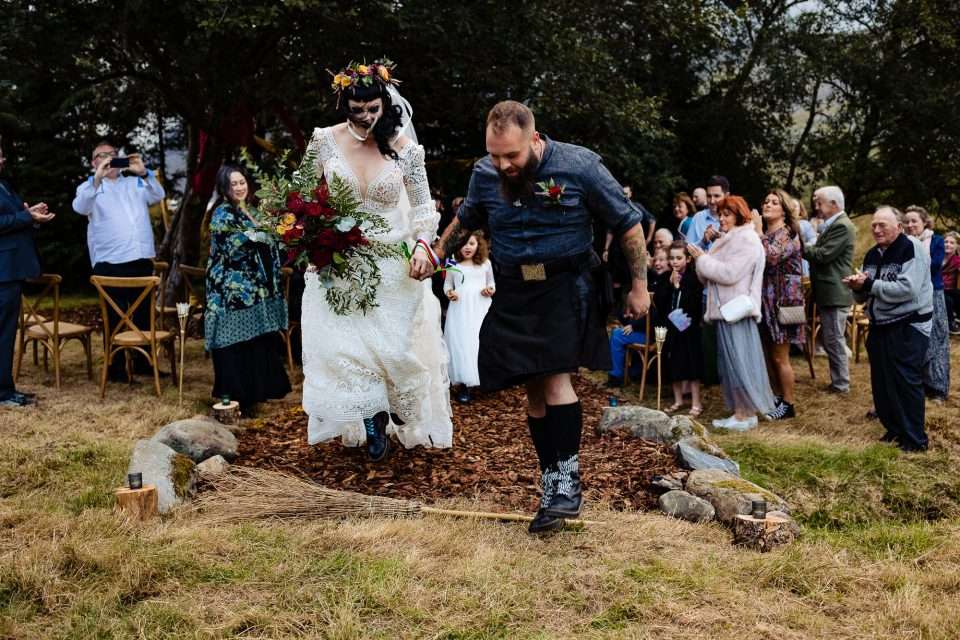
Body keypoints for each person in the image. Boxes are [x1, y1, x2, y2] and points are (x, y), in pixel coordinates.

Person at [429, 100, 650, 534]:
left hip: (564, 285)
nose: (503, 164)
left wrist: (640, 285)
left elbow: (628, 223)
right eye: (495, 155)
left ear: (534, 138)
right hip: (514, 288)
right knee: (531, 387)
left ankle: (567, 485)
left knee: (553, 378)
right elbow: (468, 217)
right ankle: (552, 482)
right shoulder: (485, 172)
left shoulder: (579, 165)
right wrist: (434, 255)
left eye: (511, 155)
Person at [301, 60, 452, 461]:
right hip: (339, 259)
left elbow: (422, 210)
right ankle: (371, 423)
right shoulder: (324, 142)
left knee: (391, 348)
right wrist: (311, 240)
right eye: (357, 110)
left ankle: (395, 408)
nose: (366, 118)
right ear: (344, 105)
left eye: (373, 109)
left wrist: (424, 246)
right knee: (346, 348)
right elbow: (300, 196)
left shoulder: (406, 150)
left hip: (391, 264)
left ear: (385, 103)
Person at [72, 142, 165, 381]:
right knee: (114, 317)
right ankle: (115, 368)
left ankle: (144, 362)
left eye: (113, 155)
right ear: (93, 162)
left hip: (141, 257)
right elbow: (81, 207)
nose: (109, 160)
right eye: (101, 156)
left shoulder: (134, 182)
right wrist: (97, 178)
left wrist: (144, 172)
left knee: (144, 315)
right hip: (109, 262)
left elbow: (158, 195)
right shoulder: (88, 187)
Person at [204, 164, 291, 416]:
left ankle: (256, 392)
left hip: (256, 286)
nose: (239, 187)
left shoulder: (252, 210)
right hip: (230, 288)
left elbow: (271, 238)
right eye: (233, 184)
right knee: (233, 340)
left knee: (255, 339)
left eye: (242, 182)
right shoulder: (222, 213)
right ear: (224, 188)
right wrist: (256, 235)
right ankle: (235, 394)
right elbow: (232, 245)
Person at [845, 207, 932, 452]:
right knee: (882, 383)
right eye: (873, 225)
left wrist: (870, 284)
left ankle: (915, 440)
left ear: (899, 227)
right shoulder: (873, 254)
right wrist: (858, 286)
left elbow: (908, 289)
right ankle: (894, 429)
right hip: (880, 325)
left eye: (882, 224)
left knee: (906, 382)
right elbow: (864, 293)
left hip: (908, 325)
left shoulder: (910, 248)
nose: (876, 229)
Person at [688, 195, 775, 430]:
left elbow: (729, 274)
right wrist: (703, 261)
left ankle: (745, 415)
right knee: (730, 362)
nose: (722, 219)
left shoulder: (746, 239)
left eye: (727, 214)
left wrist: (702, 258)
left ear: (739, 215)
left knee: (739, 362)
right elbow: (709, 277)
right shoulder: (728, 239)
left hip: (736, 311)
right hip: (725, 309)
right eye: (721, 214)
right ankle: (740, 412)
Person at [0, 138, 55, 408]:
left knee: (7, 332)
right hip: (2, 271)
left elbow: (14, 220)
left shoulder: (5, 185)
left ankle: (7, 389)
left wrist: (31, 215)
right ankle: (3, 393)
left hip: (11, 270)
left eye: (1, 154)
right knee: (3, 332)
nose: (2, 160)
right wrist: (27, 217)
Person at [752, 190, 806, 420]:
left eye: (774, 202)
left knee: (780, 356)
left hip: (783, 303)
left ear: (784, 210)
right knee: (769, 354)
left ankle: (789, 404)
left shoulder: (789, 234)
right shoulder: (766, 233)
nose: (768, 205)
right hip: (765, 299)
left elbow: (771, 256)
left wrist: (756, 230)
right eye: (765, 201)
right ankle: (777, 397)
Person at [803, 185, 855, 394]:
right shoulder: (833, 224)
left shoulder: (842, 226)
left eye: (820, 203)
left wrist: (801, 247)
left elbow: (824, 255)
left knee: (834, 339)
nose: (816, 207)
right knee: (831, 338)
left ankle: (841, 384)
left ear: (834, 204)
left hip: (835, 292)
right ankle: (838, 381)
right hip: (828, 292)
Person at [903, 206, 950, 402]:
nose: (910, 225)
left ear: (924, 222)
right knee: (915, 338)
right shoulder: (903, 242)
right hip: (911, 296)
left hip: (933, 293)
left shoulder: (937, 241)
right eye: (907, 221)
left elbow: (936, 264)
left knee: (936, 338)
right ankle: (918, 384)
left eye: (914, 221)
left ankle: (937, 387)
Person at [443, 231, 495, 404]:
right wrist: (450, 293)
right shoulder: (452, 262)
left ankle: (486, 380)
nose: (467, 247)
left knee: (480, 341)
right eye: (464, 244)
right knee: (462, 342)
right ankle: (464, 384)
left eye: (471, 244)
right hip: (460, 308)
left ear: (478, 245)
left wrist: (489, 290)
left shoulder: (486, 263)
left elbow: (491, 283)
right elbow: (447, 284)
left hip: (480, 306)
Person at [606, 247, 668, 388]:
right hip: (645, 329)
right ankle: (631, 372)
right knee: (619, 329)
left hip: (655, 334)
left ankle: (617, 376)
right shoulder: (654, 280)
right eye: (656, 260)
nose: (658, 263)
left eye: (662, 260)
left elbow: (655, 315)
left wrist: (634, 325)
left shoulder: (664, 285)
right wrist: (627, 317)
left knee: (617, 335)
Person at [655, 241, 704, 416]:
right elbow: (660, 303)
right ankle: (678, 400)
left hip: (689, 328)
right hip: (672, 329)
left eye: (678, 258)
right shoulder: (665, 278)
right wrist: (670, 286)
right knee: (673, 362)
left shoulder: (694, 278)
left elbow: (695, 303)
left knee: (692, 364)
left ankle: (696, 402)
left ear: (688, 259)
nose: (674, 261)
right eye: (672, 258)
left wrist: (679, 287)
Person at [686, 175, 729, 250]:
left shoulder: (735, 219)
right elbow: (686, 250)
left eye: (716, 196)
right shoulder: (698, 217)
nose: (712, 201)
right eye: (709, 196)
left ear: (727, 196)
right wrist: (703, 241)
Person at [943, 231, 960, 334]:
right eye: (946, 242)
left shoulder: (957, 260)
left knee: (954, 296)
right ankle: (950, 322)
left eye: (952, 242)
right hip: (936, 288)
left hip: (951, 289)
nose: (948, 244)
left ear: (957, 246)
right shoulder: (936, 256)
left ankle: (954, 318)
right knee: (947, 299)